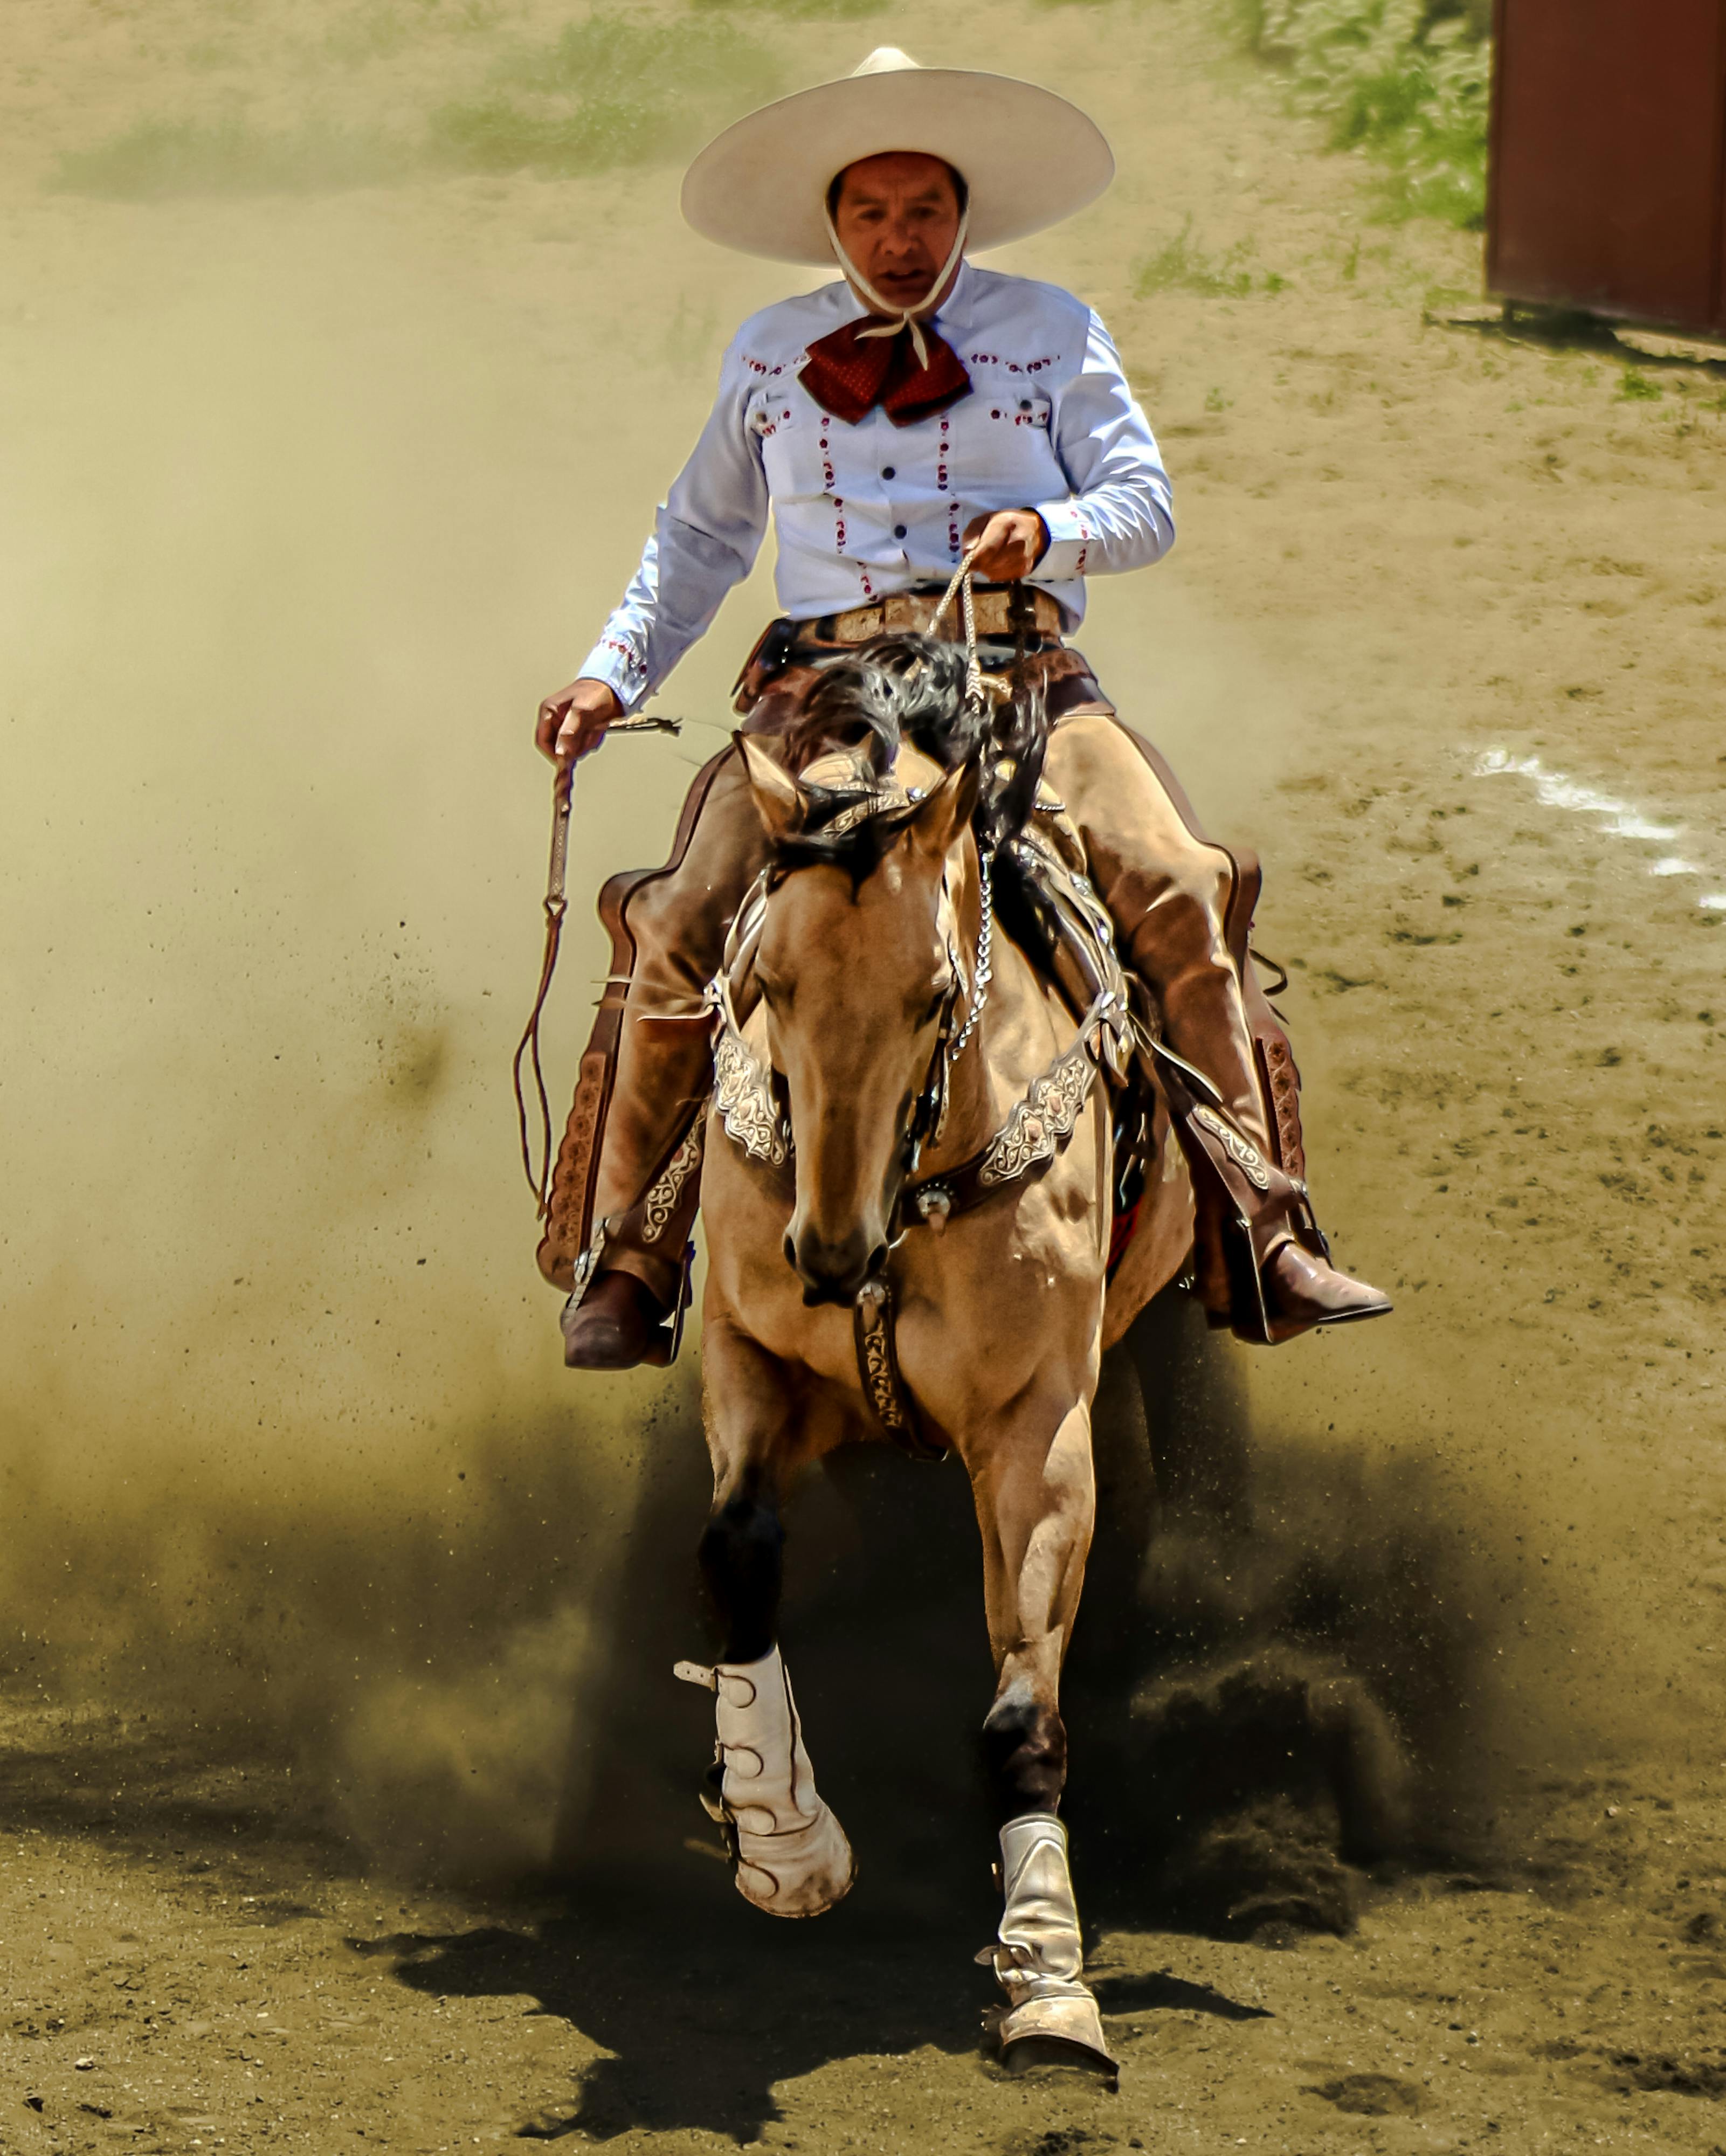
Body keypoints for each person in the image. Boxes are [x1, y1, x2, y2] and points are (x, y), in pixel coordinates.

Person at [533, 48, 1390, 1369]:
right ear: (831, 222)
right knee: (678, 917)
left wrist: (1044, 529)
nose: (896, 237)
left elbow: (1143, 502)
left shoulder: (1052, 329)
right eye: (869, 213)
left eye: (921, 209)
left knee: (1173, 884)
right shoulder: (768, 354)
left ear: (961, 213)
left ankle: (1257, 1226)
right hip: (818, 698)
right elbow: (697, 540)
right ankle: (636, 1253)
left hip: (1023, 679)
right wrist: (609, 672)